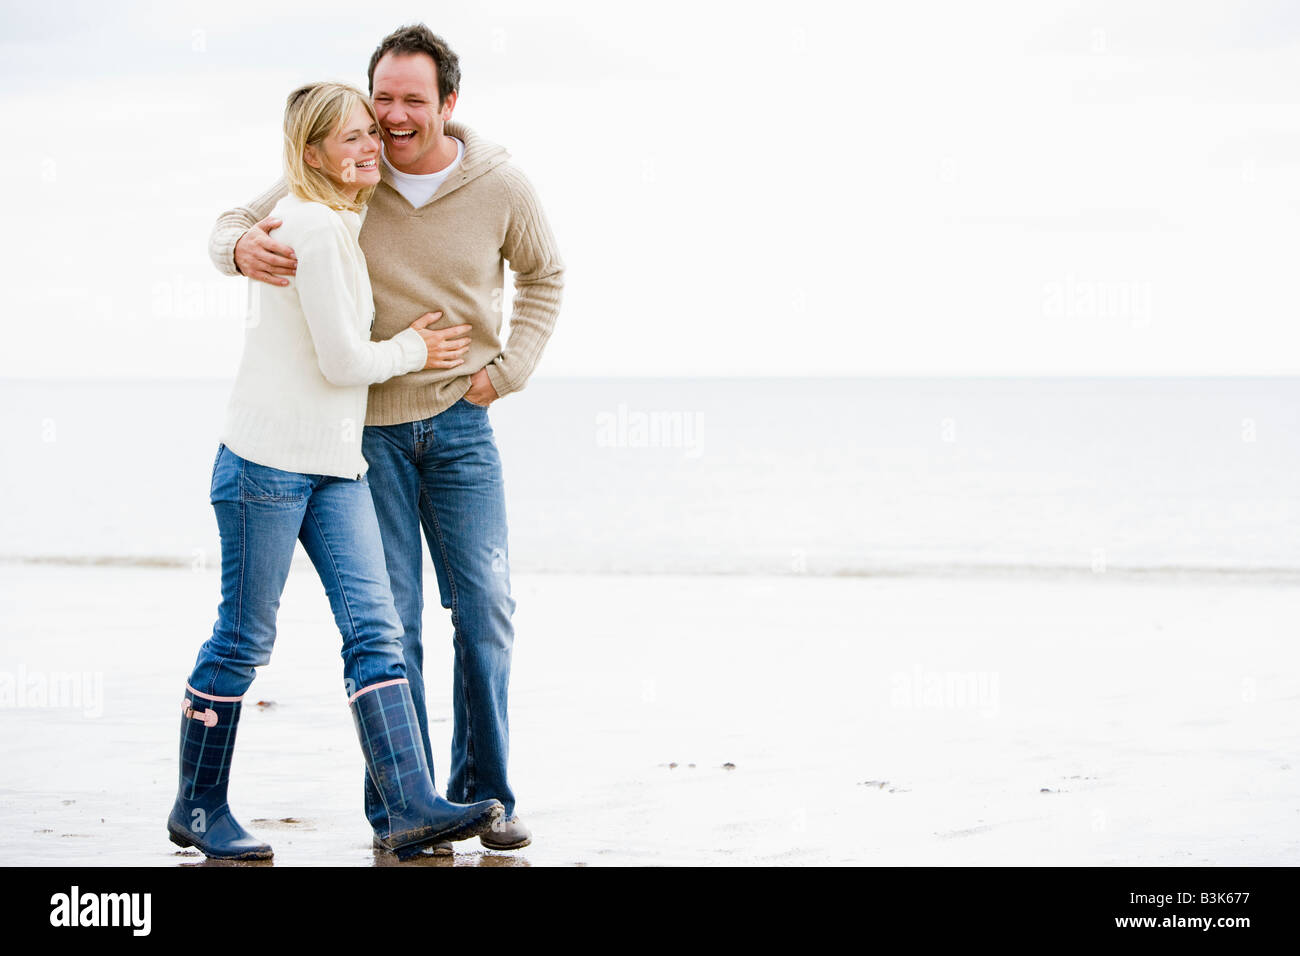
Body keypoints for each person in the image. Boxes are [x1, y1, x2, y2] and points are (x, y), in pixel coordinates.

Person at [207, 25, 564, 853]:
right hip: (366, 435)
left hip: (461, 425)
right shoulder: (346, 175)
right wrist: (239, 245)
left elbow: (545, 274)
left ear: (449, 103)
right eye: (382, 101)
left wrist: (502, 374)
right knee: (391, 623)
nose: (394, 118)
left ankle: (486, 797)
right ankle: (405, 813)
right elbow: (233, 223)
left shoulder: (500, 183)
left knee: (484, 609)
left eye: (412, 100)